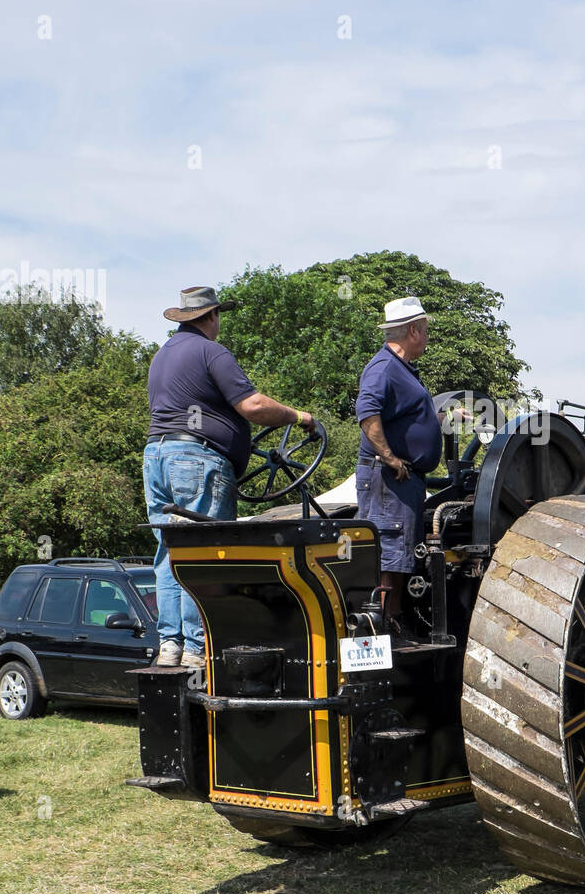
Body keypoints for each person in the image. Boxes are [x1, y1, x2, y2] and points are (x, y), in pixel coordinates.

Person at [145, 286, 318, 667]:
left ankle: (169, 645)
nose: (219, 322)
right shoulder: (211, 352)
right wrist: (299, 417)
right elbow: (253, 405)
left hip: (156, 456)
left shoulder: (162, 356)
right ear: (210, 316)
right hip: (195, 461)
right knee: (203, 552)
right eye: (218, 315)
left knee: (168, 552)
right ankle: (196, 649)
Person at [354, 297, 442, 642]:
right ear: (412, 330)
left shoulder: (400, 369)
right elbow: (367, 411)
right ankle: (384, 628)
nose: (427, 337)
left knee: (401, 551)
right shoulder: (383, 368)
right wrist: (389, 457)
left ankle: (393, 623)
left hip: (402, 480)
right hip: (388, 476)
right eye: (425, 330)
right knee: (389, 550)